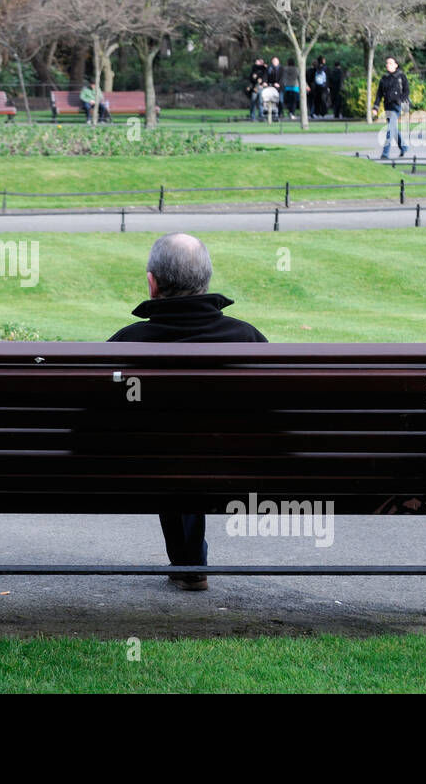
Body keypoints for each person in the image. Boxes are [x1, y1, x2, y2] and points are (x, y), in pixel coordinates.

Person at [107, 233, 268, 591]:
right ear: (206, 281)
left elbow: (91, 424)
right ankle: (189, 561)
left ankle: (188, 560)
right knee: (191, 454)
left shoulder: (126, 345)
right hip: (239, 473)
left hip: (135, 475)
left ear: (152, 284)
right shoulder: (248, 342)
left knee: (168, 455)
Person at [373, 56, 411, 159]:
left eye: (390, 63)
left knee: (390, 129)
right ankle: (404, 147)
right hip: (387, 106)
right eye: (387, 63)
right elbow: (379, 94)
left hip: (397, 106)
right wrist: (375, 107)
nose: (388, 65)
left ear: (396, 65)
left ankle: (385, 153)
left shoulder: (401, 76)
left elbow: (407, 91)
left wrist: (400, 100)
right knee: (393, 128)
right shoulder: (384, 78)